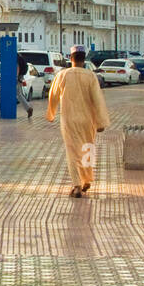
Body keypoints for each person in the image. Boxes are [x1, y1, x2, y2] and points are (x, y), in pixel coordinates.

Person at [46, 45, 111, 198]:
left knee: (72, 152)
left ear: (71, 58)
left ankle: (76, 185)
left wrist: (51, 113)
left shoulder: (63, 75)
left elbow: (53, 95)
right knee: (88, 147)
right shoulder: (90, 76)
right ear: (84, 58)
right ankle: (87, 180)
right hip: (88, 120)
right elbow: (98, 100)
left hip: (69, 120)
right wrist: (101, 122)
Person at [16, 52, 33, 118]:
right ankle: (28, 108)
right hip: (20, 76)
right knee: (19, 93)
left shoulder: (15, 57)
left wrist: (16, 77)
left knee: (18, 94)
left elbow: (17, 67)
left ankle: (28, 108)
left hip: (17, 77)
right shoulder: (19, 56)